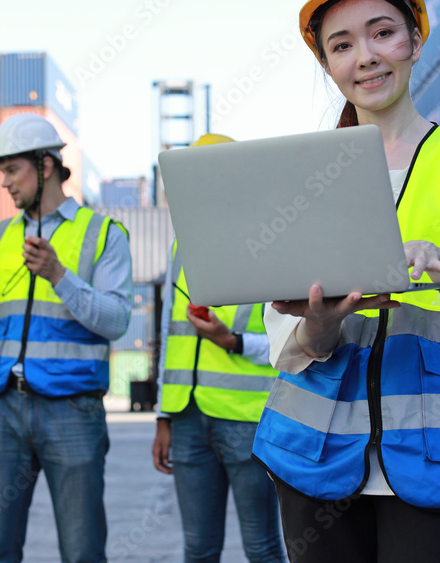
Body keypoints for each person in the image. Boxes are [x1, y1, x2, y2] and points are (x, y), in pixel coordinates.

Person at [251, 0, 440, 563]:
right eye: (342, 45)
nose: (366, 56)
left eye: (383, 32)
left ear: (414, 39)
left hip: (439, 459)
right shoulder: (303, 173)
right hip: (315, 458)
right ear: (326, 65)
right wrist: (321, 319)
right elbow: (289, 346)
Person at [0, 112, 133, 563]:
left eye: (12, 170)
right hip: (0, 410)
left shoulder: (103, 234)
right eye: (1, 172)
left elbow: (117, 321)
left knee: (83, 550)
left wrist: (59, 276)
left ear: (46, 165)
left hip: (73, 409)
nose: (5, 183)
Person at [151, 133, 286, 563]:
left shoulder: (272, 246)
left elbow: (296, 342)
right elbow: (170, 338)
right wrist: (163, 415)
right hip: (187, 419)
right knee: (199, 548)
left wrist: (232, 341)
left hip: (248, 420)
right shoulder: (180, 248)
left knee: (263, 547)